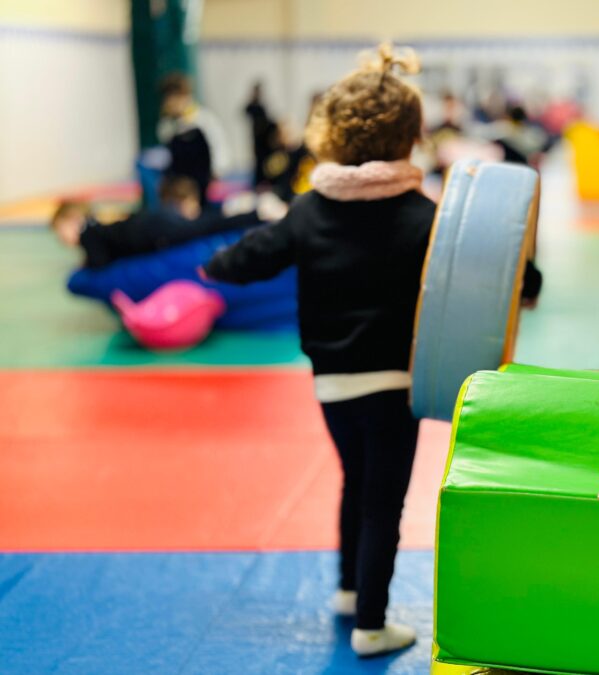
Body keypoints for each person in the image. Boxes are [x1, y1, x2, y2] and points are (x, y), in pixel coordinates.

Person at [201, 43, 430, 658]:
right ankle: (373, 626)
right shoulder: (424, 214)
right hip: (395, 385)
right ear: (412, 138)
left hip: (330, 383)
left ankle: (351, 590)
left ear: (329, 135)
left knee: (354, 481)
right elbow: (496, 270)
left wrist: (212, 265)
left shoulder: (307, 210)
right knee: (384, 501)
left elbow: (246, 258)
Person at [51, 176, 262, 269]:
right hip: (150, 223)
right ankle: (250, 213)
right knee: (201, 225)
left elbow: (100, 262)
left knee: (202, 227)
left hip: (152, 229)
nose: (62, 239)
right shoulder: (97, 228)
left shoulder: (89, 234)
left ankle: (254, 214)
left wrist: (86, 264)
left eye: (61, 231)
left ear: (73, 220)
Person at [157, 73, 230, 206]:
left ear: (185, 97)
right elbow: (166, 151)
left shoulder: (202, 119)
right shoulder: (168, 125)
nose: (169, 104)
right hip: (180, 178)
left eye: (174, 98)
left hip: (201, 176)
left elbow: (218, 144)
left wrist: (217, 170)